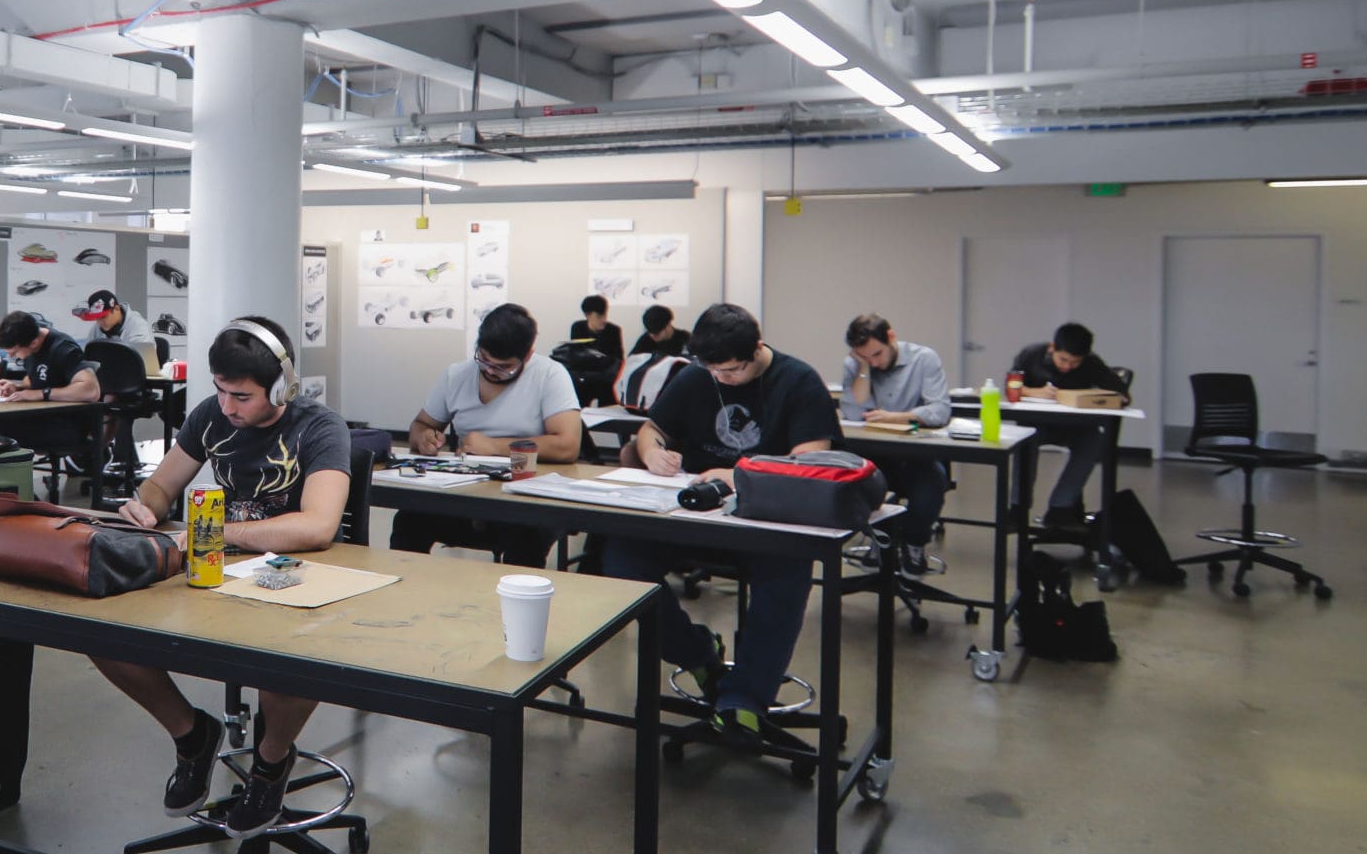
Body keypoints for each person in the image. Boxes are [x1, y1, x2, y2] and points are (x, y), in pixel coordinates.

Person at [108, 318, 351, 834]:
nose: (226, 407)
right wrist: (146, 507)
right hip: (212, 568)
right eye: (219, 391)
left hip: (292, 579)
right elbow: (161, 484)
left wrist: (216, 528)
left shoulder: (320, 428)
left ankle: (270, 761)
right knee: (104, 632)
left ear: (281, 388)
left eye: (240, 396)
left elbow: (318, 525)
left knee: (292, 661)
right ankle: (192, 734)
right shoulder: (211, 417)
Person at [614, 303, 840, 744]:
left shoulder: (798, 382)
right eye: (714, 370)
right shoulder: (698, 376)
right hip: (696, 519)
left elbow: (813, 463)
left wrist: (741, 473)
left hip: (768, 526)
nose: (722, 379)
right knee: (621, 559)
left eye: (732, 371)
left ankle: (744, 700)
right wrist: (652, 452)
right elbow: (651, 429)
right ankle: (695, 652)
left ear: (757, 349)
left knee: (787, 575)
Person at [393, 304, 579, 566]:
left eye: (504, 367)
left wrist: (495, 446)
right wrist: (424, 436)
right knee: (409, 520)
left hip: (525, 499)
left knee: (526, 538)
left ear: (528, 355)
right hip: (466, 493)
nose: (491, 371)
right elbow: (420, 424)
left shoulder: (550, 375)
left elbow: (567, 445)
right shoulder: (457, 375)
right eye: (484, 360)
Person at [840, 313, 951, 574]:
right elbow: (855, 414)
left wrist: (898, 417)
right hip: (872, 455)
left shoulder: (924, 359)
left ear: (891, 337)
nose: (874, 362)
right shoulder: (856, 365)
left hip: (916, 454)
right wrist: (863, 370)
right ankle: (880, 540)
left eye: (877, 354)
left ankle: (914, 544)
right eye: (865, 357)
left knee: (932, 483)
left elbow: (940, 411)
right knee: (855, 482)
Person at [1007, 322, 1132, 526]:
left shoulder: (1092, 363)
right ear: (1052, 348)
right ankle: (1018, 507)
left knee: (1094, 441)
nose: (1067, 366)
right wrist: (1033, 392)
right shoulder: (1031, 355)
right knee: (1025, 442)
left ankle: (1060, 507)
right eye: (1063, 359)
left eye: (1075, 362)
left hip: (1076, 427)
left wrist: (1114, 398)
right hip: (1036, 425)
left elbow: (1122, 394)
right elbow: (1011, 387)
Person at [0, 310, 103, 403]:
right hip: (40, 410)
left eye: (14, 352)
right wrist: (17, 387)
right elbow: (39, 379)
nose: (11, 356)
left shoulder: (63, 348)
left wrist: (42, 394)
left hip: (64, 416)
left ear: (33, 343)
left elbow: (92, 391)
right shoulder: (29, 345)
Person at [73, 288, 156, 355]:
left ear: (116, 309)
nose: (100, 322)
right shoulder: (98, 327)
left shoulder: (138, 326)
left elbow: (140, 363)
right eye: (97, 318)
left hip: (136, 374)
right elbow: (87, 355)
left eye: (104, 317)